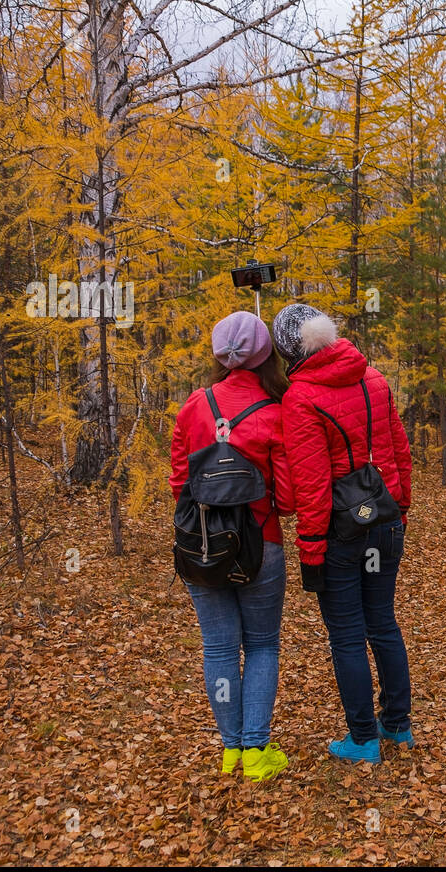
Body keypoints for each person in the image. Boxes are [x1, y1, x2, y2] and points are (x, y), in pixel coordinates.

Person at [274, 304, 413, 765]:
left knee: (349, 635)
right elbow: (398, 447)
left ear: (288, 350)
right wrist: (402, 508)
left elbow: (311, 487)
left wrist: (310, 549)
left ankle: (362, 739)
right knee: (383, 623)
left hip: (341, 532)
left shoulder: (300, 399)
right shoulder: (372, 377)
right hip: (386, 521)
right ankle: (396, 726)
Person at [170, 311, 295, 781]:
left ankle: (230, 752)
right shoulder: (275, 410)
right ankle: (257, 753)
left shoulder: (193, 405)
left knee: (219, 648)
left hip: (201, 546)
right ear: (267, 356)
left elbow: (178, 481)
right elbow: (285, 498)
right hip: (260, 544)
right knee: (262, 645)